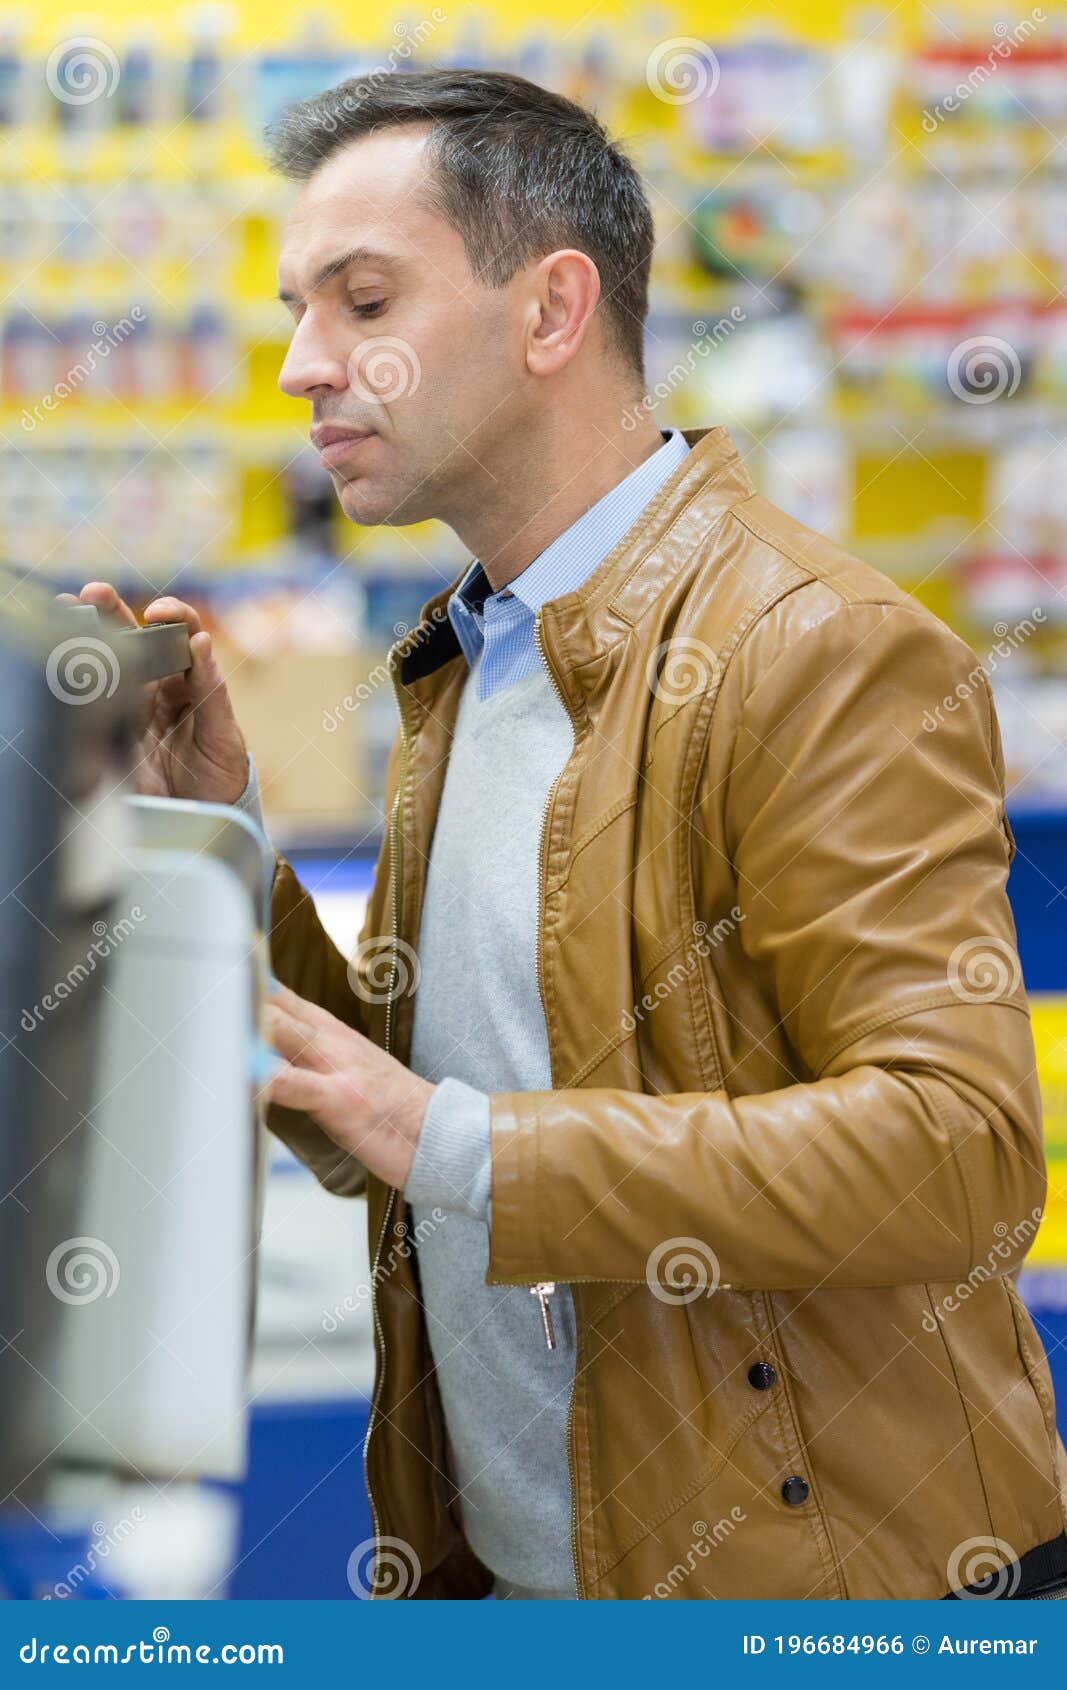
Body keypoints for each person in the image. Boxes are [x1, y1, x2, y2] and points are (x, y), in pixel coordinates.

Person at [70, 69, 1067, 1601]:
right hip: (535, 1582)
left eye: (362, 302)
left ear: (550, 313)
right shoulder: (477, 657)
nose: (298, 364)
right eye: (294, 308)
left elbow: (963, 1154)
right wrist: (221, 849)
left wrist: (453, 1139)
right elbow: (403, 1136)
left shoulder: (812, 647)